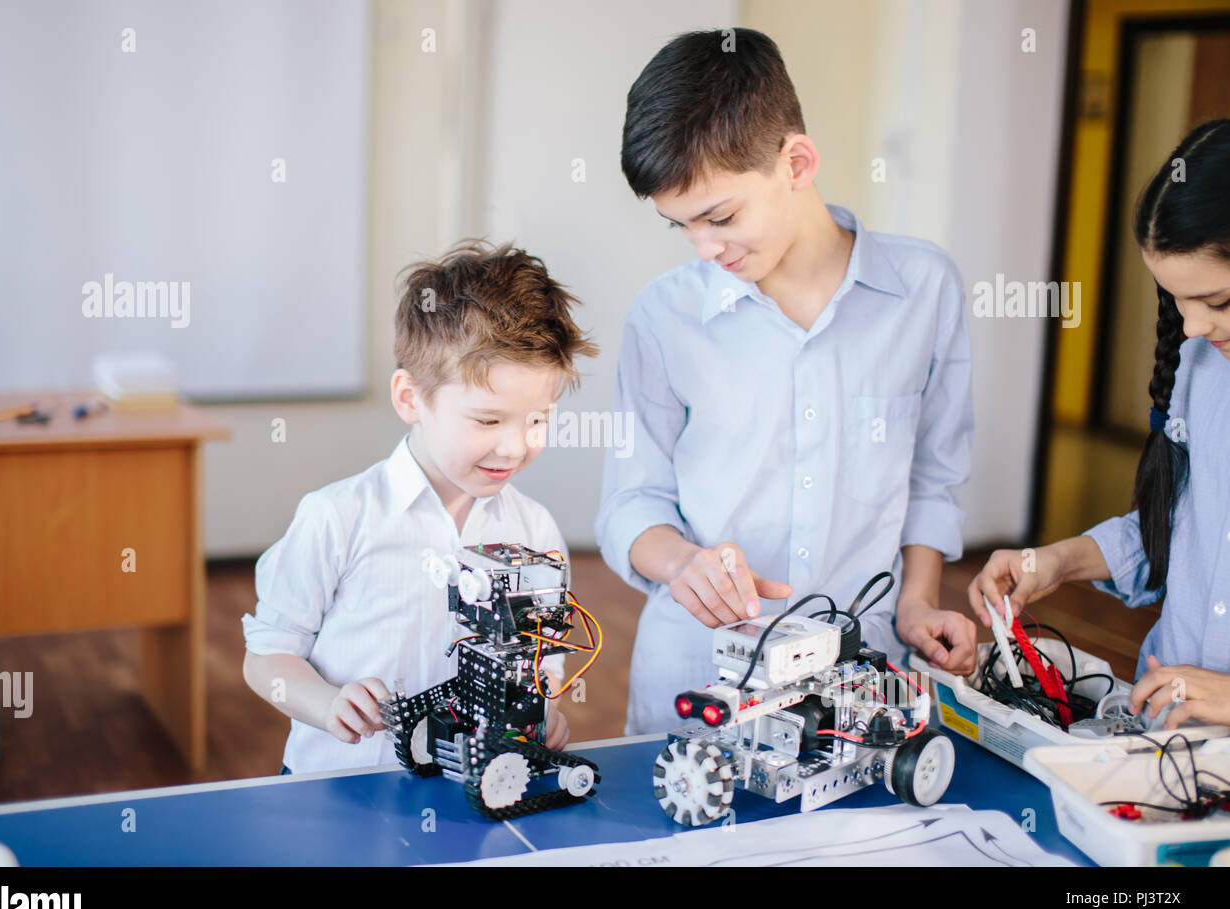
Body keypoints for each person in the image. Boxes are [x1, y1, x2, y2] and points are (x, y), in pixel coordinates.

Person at [595, 28, 976, 735]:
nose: (706, 249)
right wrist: (682, 563)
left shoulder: (925, 291)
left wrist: (918, 602)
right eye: (680, 226)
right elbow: (629, 502)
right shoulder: (663, 316)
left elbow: (933, 479)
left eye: (721, 216)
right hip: (698, 677)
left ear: (796, 162)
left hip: (862, 675)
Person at [242, 240, 599, 772]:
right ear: (411, 398)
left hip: (472, 790)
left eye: (537, 420)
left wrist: (542, 713)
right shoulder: (337, 519)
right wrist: (327, 703)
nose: (515, 447)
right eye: (487, 420)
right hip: (340, 790)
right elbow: (266, 657)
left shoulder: (536, 530)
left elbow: (542, 662)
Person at [969, 119, 1230, 730]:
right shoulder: (1202, 362)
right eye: (1176, 301)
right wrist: (1058, 561)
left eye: (1217, 302)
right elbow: (1182, 533)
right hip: (1161, 737)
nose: (1192, 328)